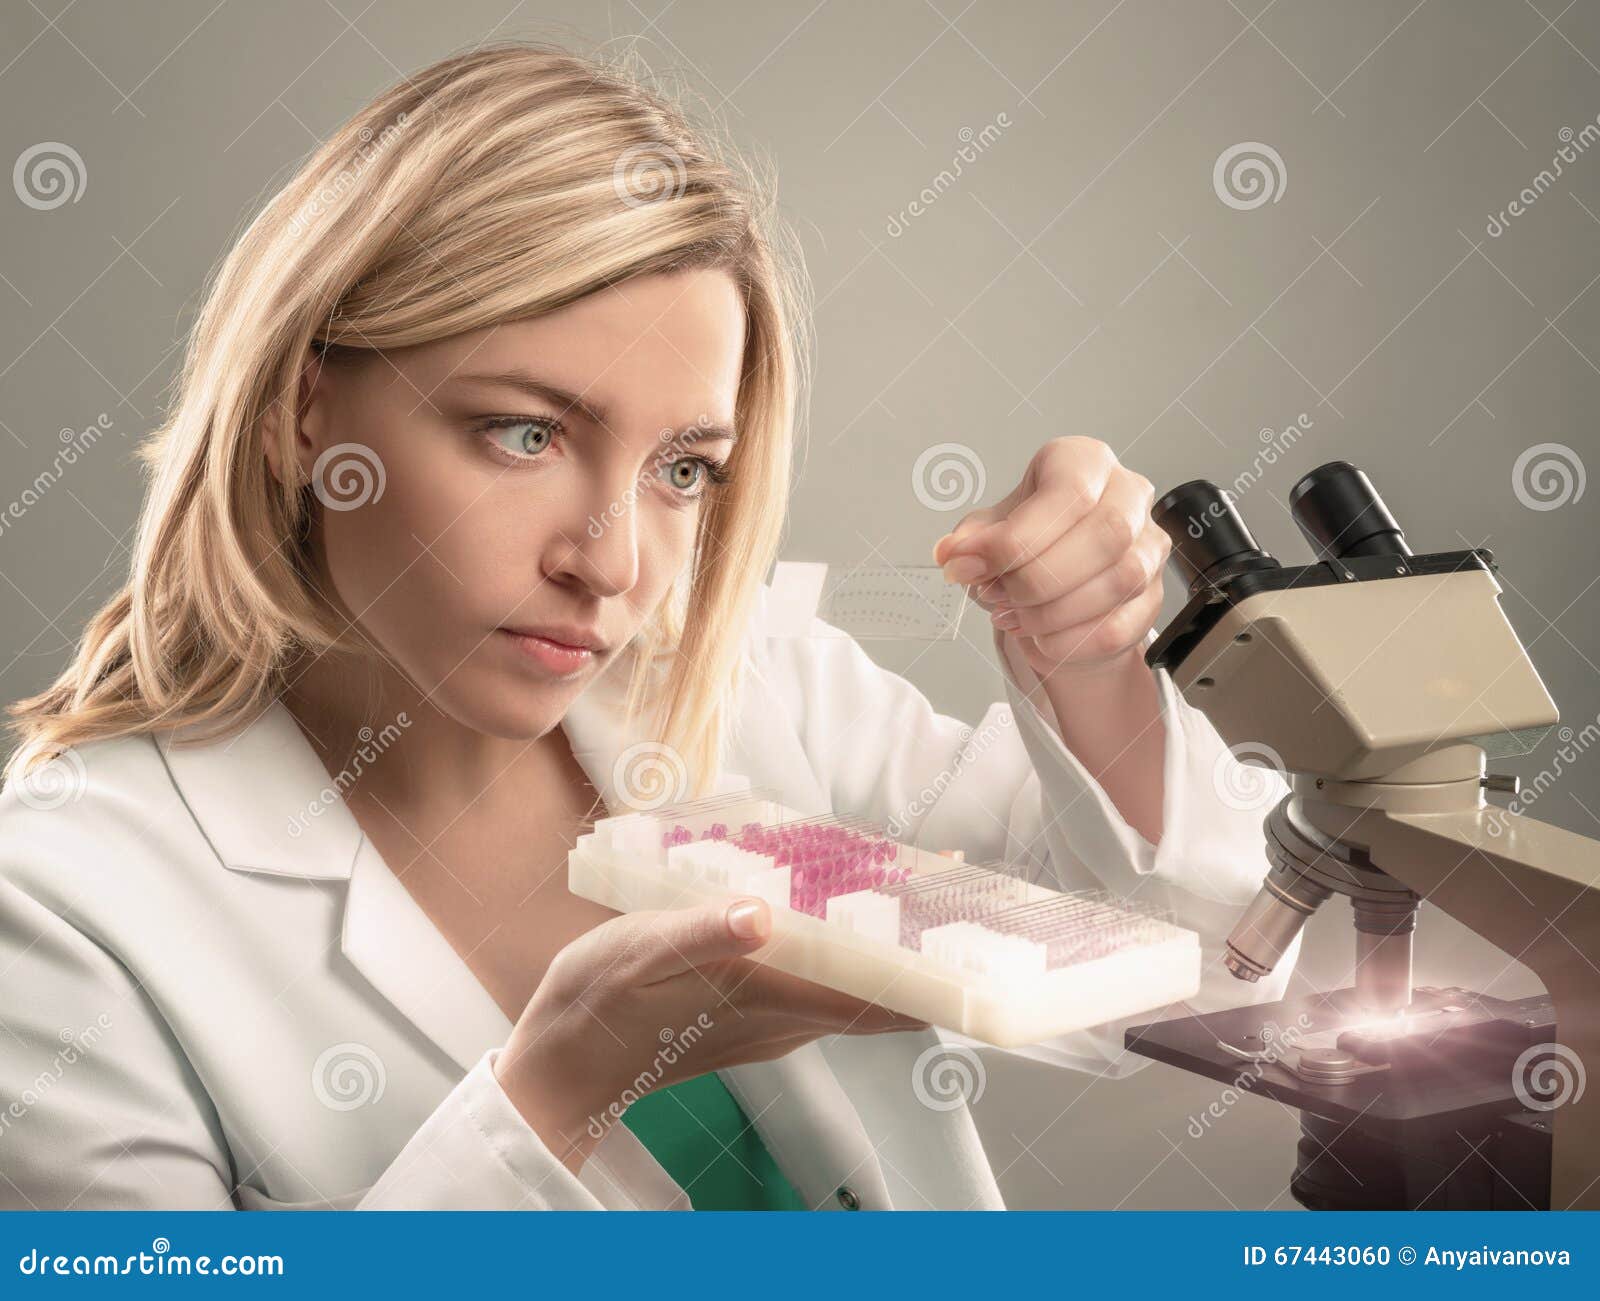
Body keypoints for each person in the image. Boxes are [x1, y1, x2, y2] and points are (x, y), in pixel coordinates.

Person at [0, 41, 1295, 1211]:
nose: (613, 563)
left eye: (683, 469)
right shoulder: (63, 902)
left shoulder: (758, 687)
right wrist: (559, 1091)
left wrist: (1093, 669)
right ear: (304, 410)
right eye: (524, 434)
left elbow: (1218, 974)